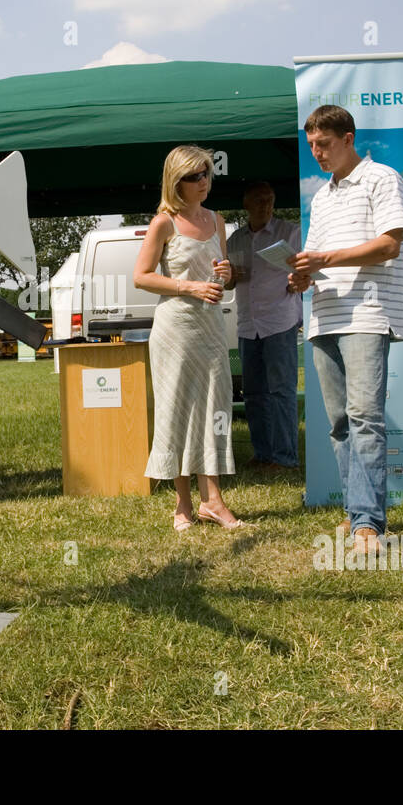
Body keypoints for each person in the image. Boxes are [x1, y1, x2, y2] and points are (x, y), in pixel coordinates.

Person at [289, 105, 403, 554]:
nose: (317, 153)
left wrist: (324, 260)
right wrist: (300, 275)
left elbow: (390, 245)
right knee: (340, 423)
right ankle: (356, 511)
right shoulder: (322, 197)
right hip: (323, 316)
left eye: (324, 144)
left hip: (367, 314)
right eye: (312, 146)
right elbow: (315, 256)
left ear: (349, 137)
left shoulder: (383, 178)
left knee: (365, 418)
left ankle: (369, 527)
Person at [133, 145, 244, 531]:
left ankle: (213, 500)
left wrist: (226, 273)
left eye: (207, 174)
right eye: (196, 176)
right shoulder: (163, 222)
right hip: (175, 329)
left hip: (212, 327)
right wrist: (189, 287)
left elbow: (223, 275)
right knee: (177, 408)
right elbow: (142, 276)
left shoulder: (218, 220)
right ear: (175, 181)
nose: (204, 182)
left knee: (214, 408)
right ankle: (182, 505)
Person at [227, 181, 302, 471]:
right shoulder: (235, 240)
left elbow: (304, 273)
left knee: (282, 390)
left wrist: (298, 278)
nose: (265, 205)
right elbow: (230, 282)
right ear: (246, 204)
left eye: (269, 199)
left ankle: (286, 457)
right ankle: (263, 454)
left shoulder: (290, 233)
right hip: (248, 324)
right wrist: (229, 275)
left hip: (278, 322)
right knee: (255, 392)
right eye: (259, 200)